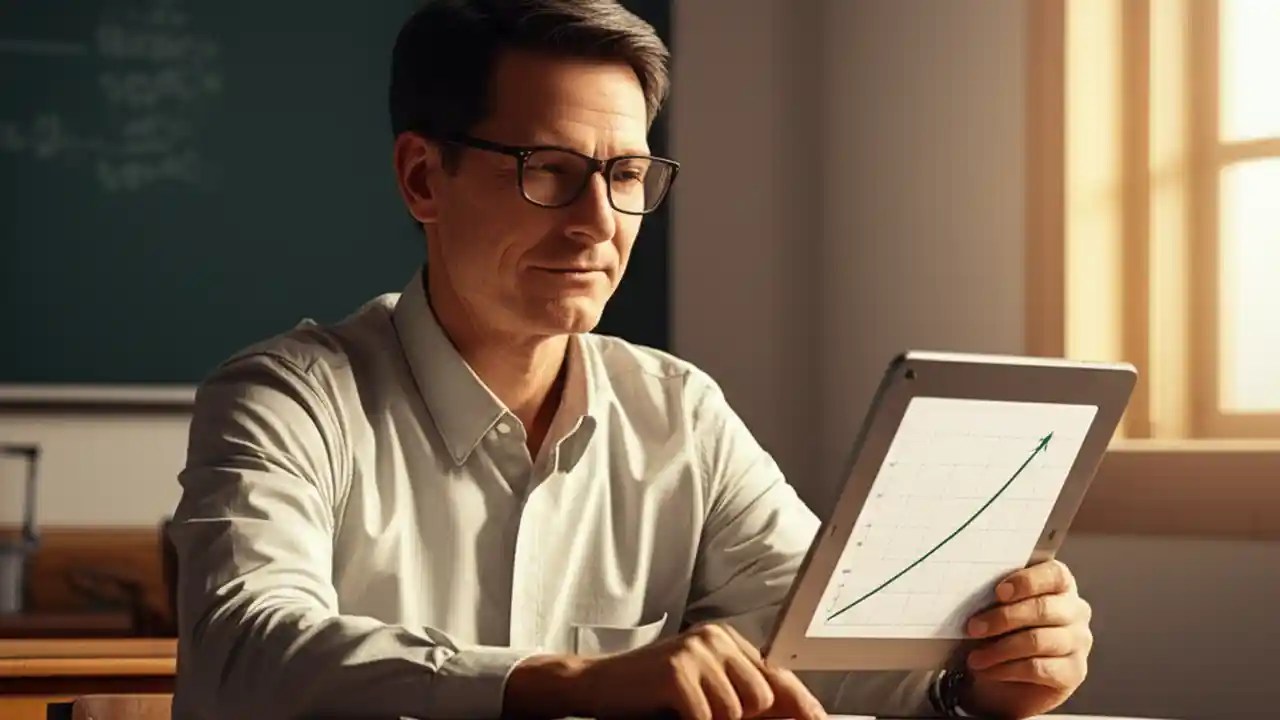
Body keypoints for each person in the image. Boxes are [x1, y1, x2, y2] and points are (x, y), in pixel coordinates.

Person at [169, 1, 1094, 718]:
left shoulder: (677, 412)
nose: (598, 224)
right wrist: (574, 682)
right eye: (549, 169)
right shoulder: (286, 400)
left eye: (623, 176)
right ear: (422, 178)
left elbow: (817, 645)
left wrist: (978, 673)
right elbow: (249, 648)